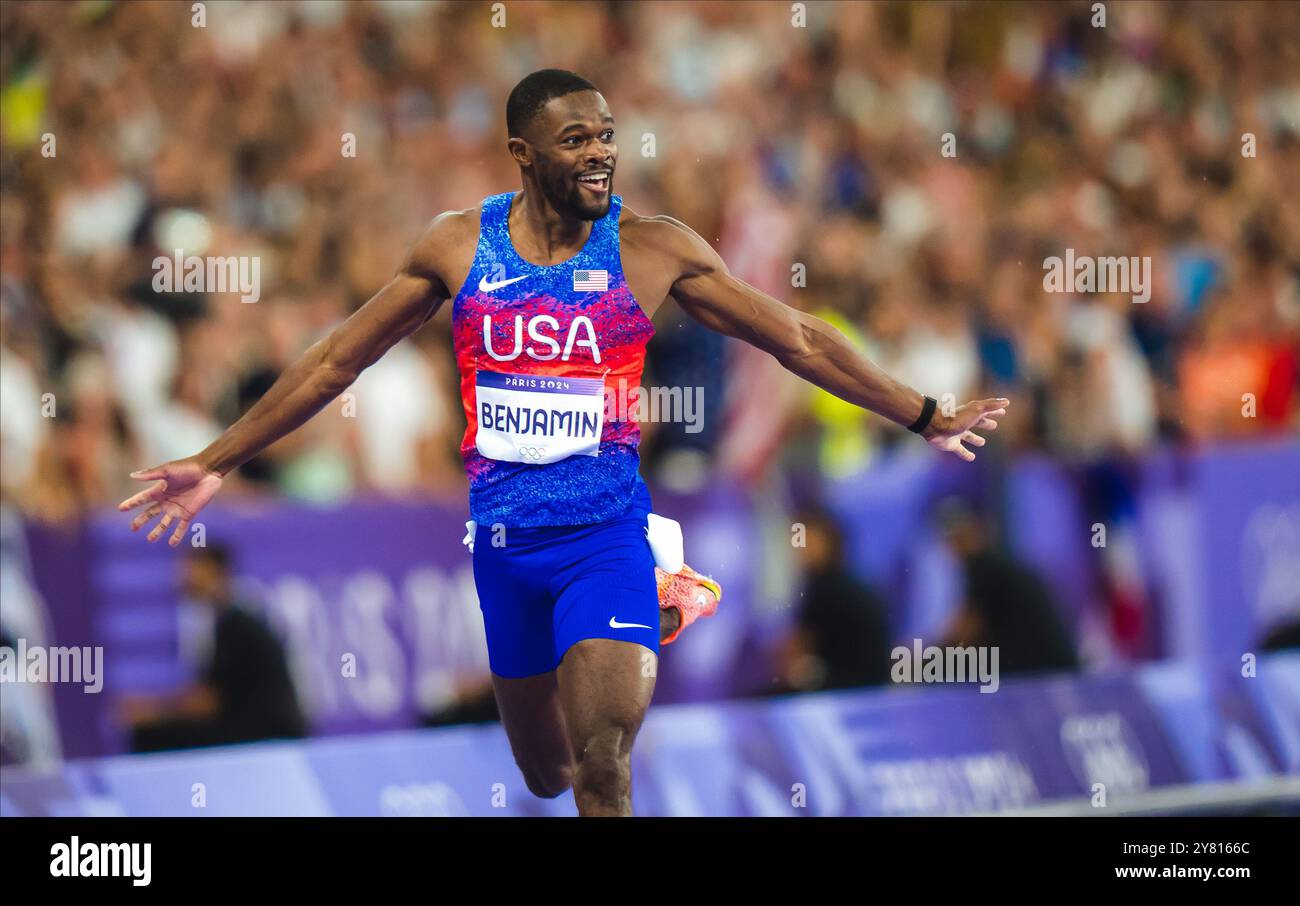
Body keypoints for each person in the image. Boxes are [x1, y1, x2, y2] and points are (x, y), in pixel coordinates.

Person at [118, 70, 1009, 816]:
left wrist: (923, 412)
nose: (599, 153)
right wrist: (215, 460)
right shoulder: (459, 246)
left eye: (607, 136)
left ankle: (645, 582)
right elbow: (332, 364)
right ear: (524, 154)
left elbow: (798, 337)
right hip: (504, 546)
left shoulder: (652, 250)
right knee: (545, 776)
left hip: (603, 535)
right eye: (576, 139)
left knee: (604, 765)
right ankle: (670, 599)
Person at [120, 545, 307, 752]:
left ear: (217, 573)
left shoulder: (236, 627)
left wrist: (152, 712)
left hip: (268, 734)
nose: (183, 576)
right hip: (254, 727)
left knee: (149, 736)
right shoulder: (225, 622)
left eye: (193, 567)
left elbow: (208, 704)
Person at [935, 498, 1079, 678]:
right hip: (1052, 671)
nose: (953, 544)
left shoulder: (982, 567)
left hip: (1040, 673)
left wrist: (921, 663)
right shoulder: (997, 565)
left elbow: (966, 633)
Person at [778, 507, 893, 692]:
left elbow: (796, 657)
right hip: (866, 687)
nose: (798, 549)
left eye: (806, 540)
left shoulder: (826, 588)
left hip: (851, 690)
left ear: (828, 542)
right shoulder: (838, 584)